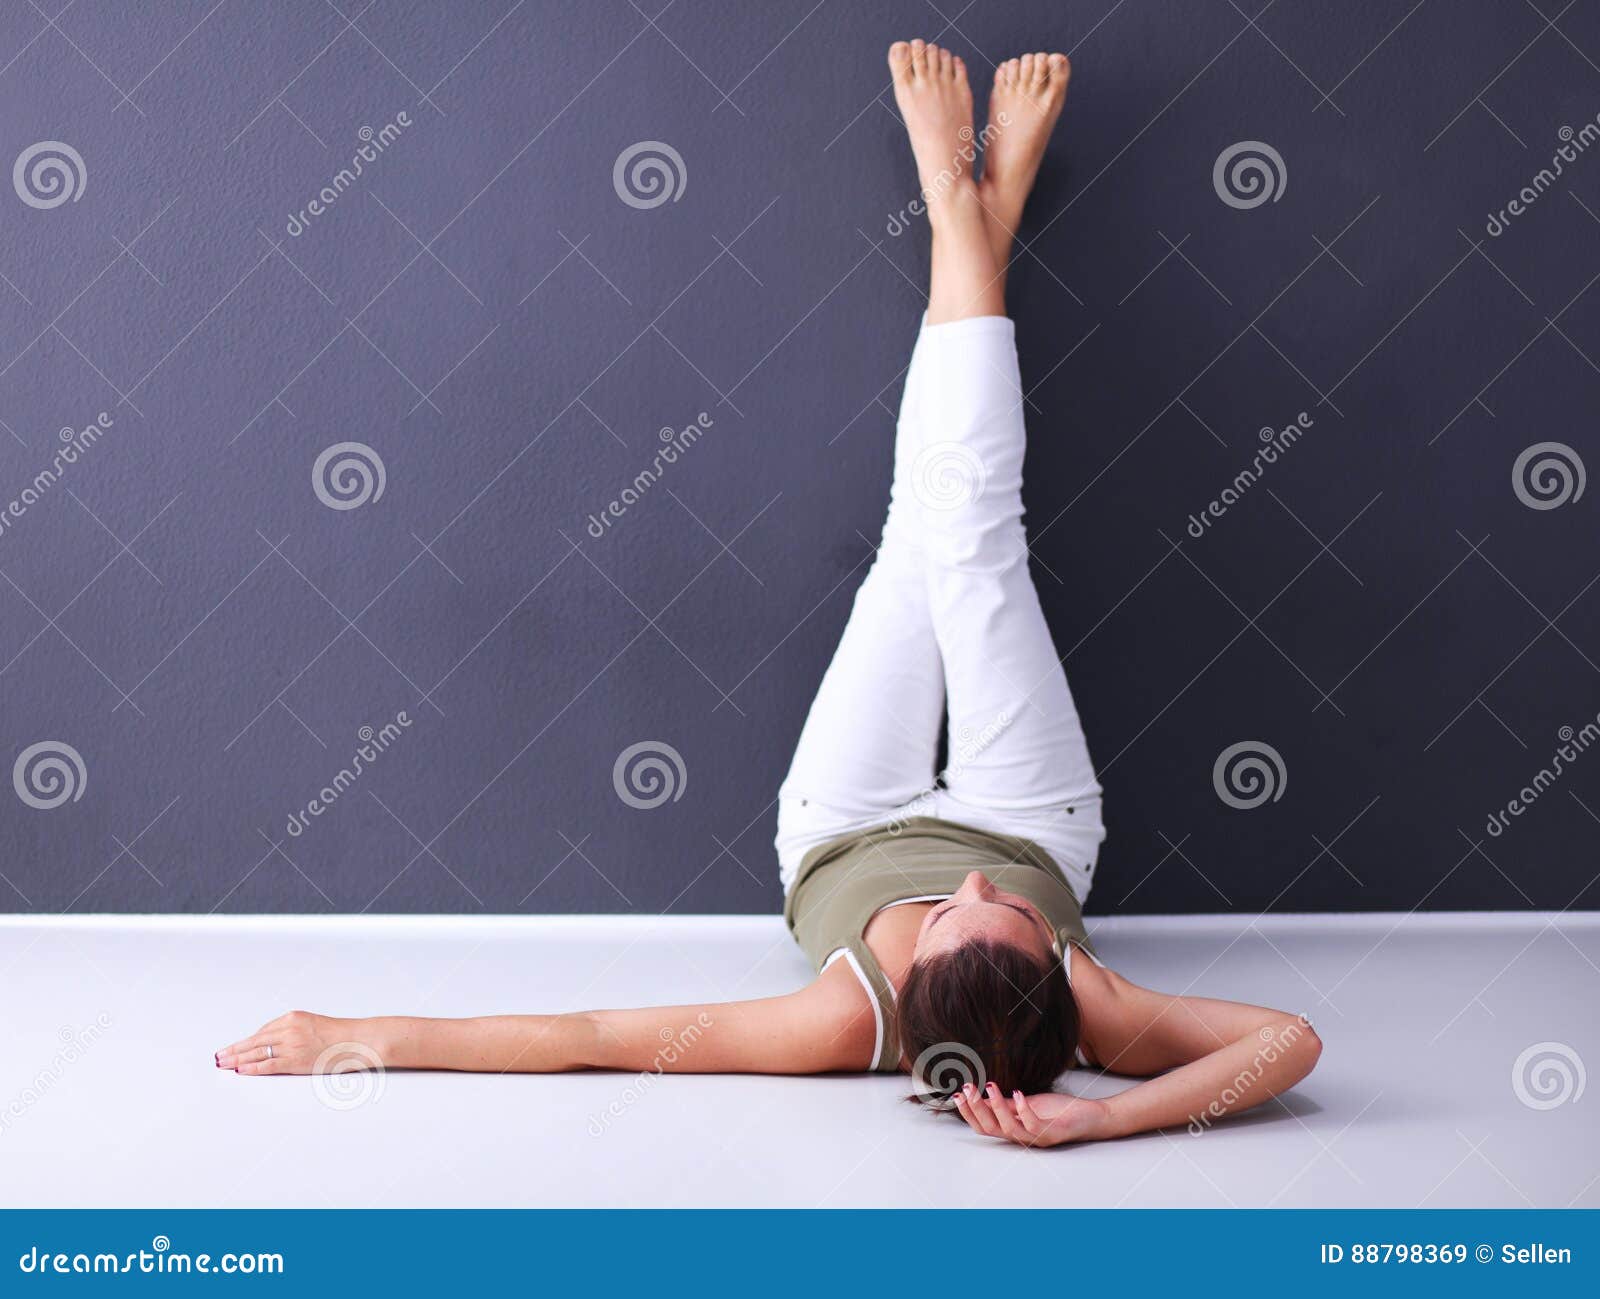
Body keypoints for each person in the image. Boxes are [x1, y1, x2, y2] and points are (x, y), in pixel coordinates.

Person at [216, 42, 1321, 1148]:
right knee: (973, 544)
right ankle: (970, 210)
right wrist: (1106, 1120)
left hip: (841, 832)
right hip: (1033, 818)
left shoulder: (843, 1021)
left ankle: (970, 213)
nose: (975, 882)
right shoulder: (1092, 1010)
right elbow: (1288, 1041)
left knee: (914, 540)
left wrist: (355, 1034)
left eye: (948, 917)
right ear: (1060, 985)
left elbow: (592, 1032)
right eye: (1017, 919)